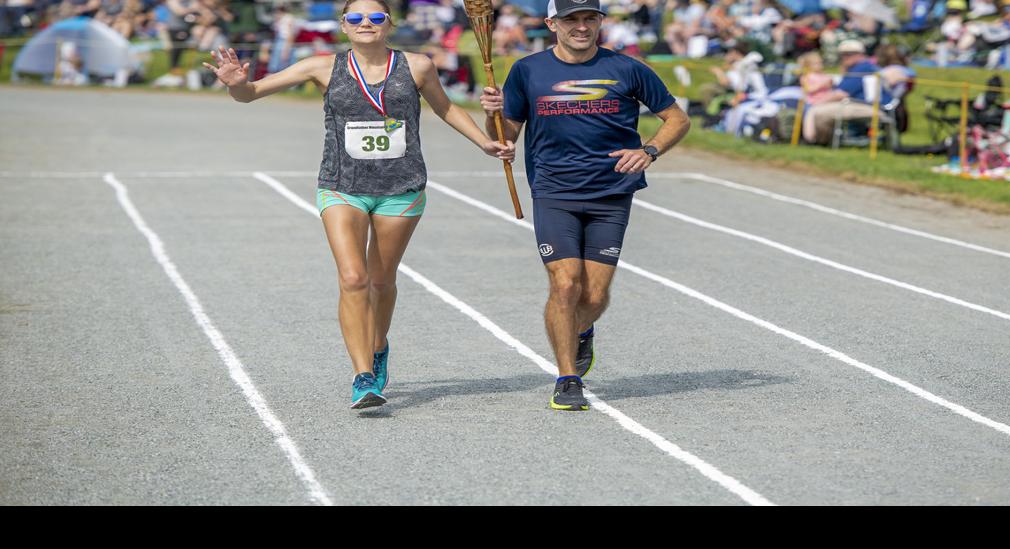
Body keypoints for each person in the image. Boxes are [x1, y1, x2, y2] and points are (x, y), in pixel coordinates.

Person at [209, 0, 515, 409]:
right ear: (343, 25)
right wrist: (235, 83)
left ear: (390, 24)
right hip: (342, 186)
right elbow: (250, 94)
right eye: (356, 18)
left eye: (375, 17)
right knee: (353, 278)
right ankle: (363, 376)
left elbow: (445, 108)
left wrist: (485, 143)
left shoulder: (417, 65)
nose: (365, 24)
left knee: (381, 281)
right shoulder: (321, 66)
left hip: (401, 187)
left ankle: (378, 345)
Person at [479, 0, 690, 412]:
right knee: (565, 284)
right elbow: (508, 137)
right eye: (571, 19)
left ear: (599, 23)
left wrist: (648, 151)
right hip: (554, 191)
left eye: (589, 18)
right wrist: (494, 116)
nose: (581, 26)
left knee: (594, 294)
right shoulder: (528, 70)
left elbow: (677, 119)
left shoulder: (627, 69)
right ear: (551, 24)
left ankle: (581, 329)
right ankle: (567, 377)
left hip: (612, 192)